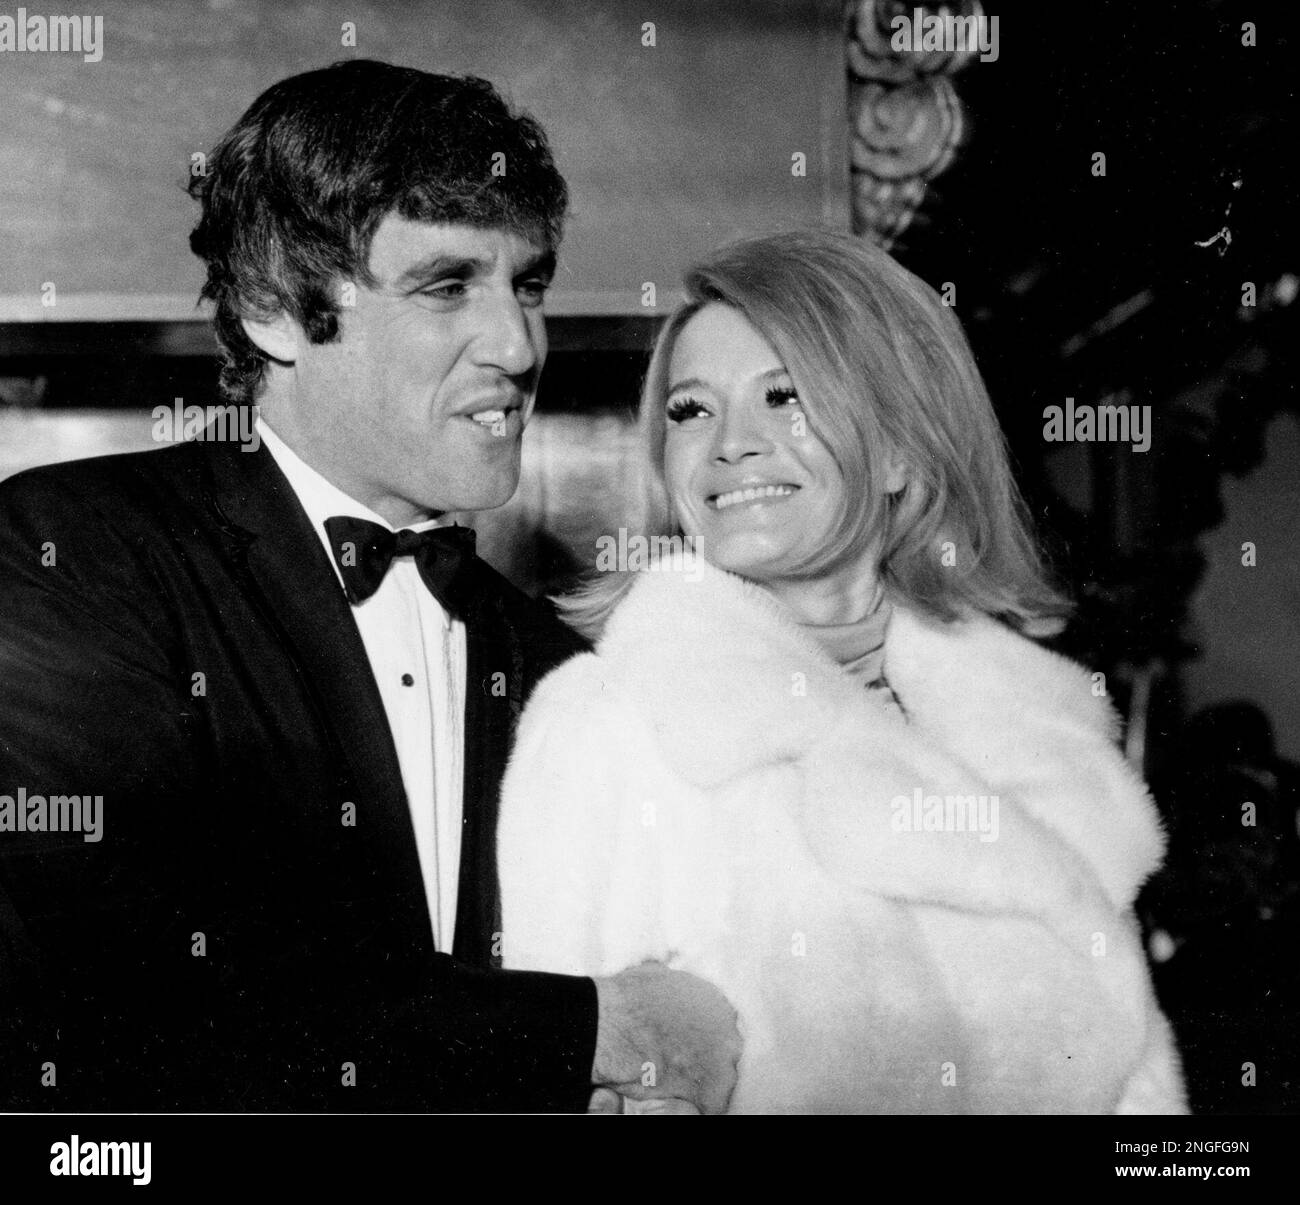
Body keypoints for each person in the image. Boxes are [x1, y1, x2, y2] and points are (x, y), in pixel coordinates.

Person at [0, 59, 739, 1114]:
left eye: (527, 283)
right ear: (273, 310)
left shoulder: (559, 666)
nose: (520, 342)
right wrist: (596, 1031)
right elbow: (122, 997)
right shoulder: (75, 552)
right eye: (448, 285)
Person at [497, 228, 1187, 1113]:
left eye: (784, 396)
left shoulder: (1042, 731)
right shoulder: (610, 726)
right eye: (690, 409)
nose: (730, 444)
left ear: (902, 445)